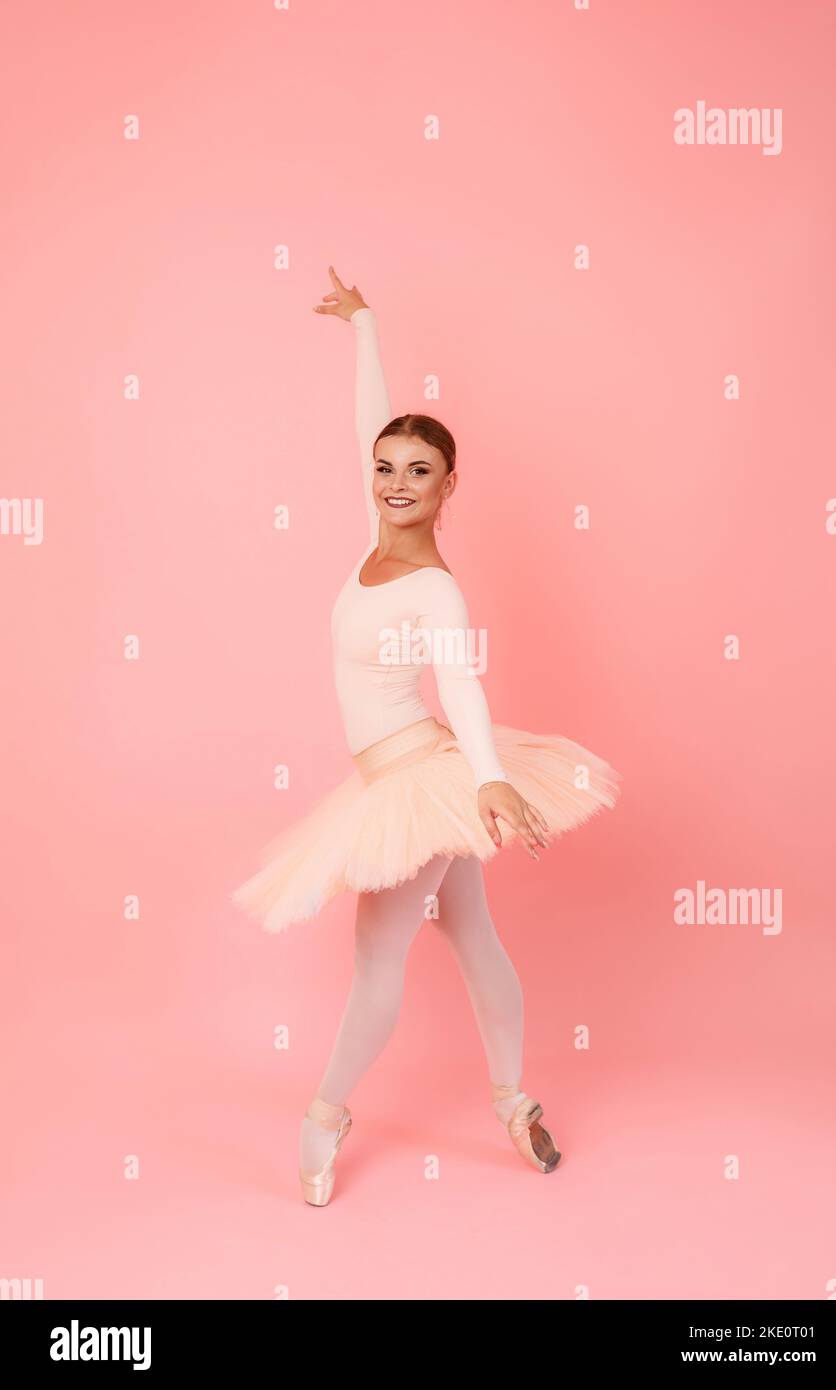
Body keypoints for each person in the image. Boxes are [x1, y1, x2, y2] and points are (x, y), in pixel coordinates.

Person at [231, 267, 621, 1205]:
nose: (397, 482)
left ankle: (324, 1115)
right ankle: (515, 1099)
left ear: (452, 486)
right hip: (406, 775)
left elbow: (462, 681)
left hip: (424, 777)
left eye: (419, 472)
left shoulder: (435, 588)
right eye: (386, 467)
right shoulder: (369, 535)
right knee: (474, 934)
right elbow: (368, 418)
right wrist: (363, 323)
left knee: (376, 964)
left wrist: (487, 777)